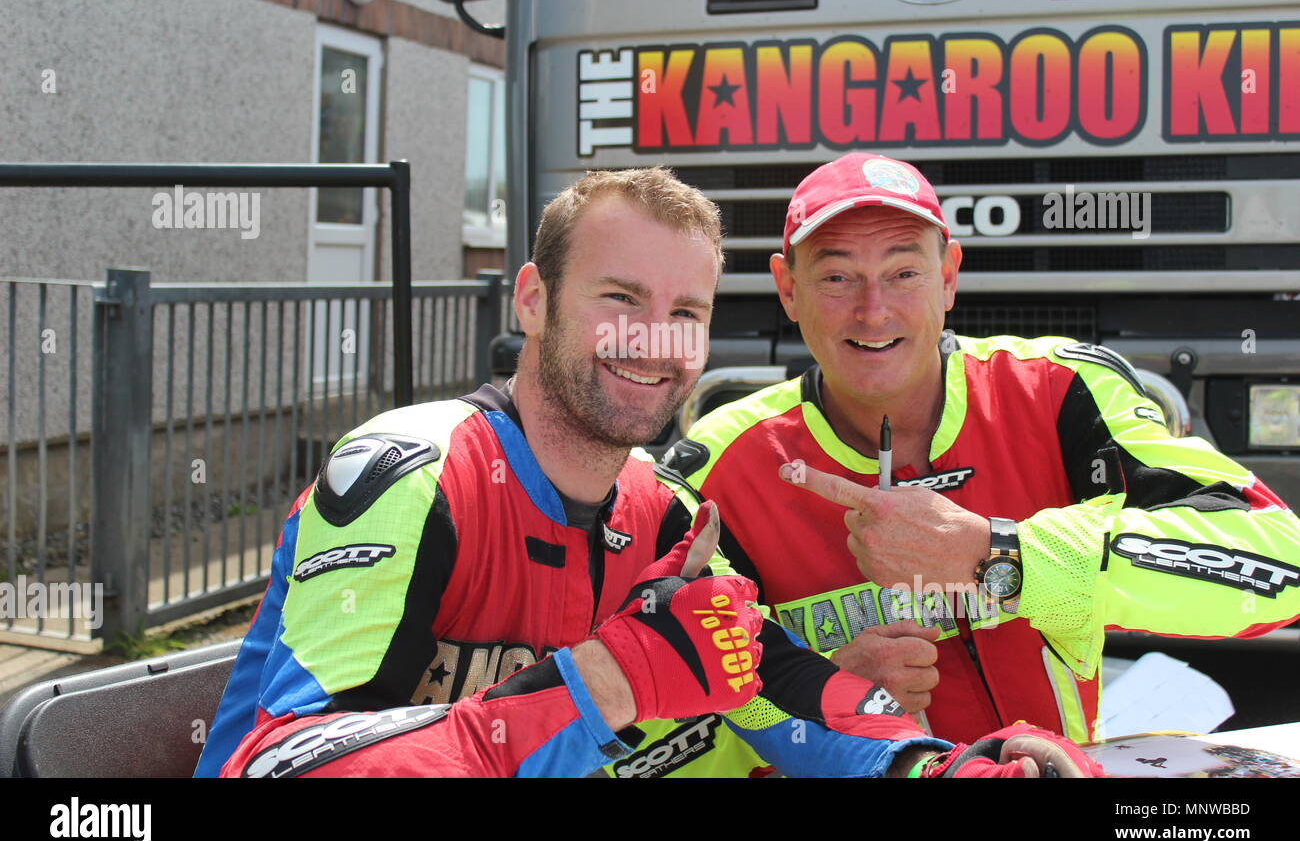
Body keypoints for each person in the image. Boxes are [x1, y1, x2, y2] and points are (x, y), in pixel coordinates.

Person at [195, 166, 1095, 778]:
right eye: (620, 299)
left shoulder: (668, 515)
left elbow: (776, 688)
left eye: (686, 312)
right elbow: (281, 765)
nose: (653, 341)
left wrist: (935, 763)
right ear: (536, 301)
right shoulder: (415, 475)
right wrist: (601, 684)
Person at [665, 151, 1300, 746]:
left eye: (904, 272)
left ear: (947, 277)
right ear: (788, 290)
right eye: (836, 277)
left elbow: (1280, 565)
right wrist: (819, 692)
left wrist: (1004, 557)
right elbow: (649, 727)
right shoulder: (718, 466)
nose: (873, 310)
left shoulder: (1058, 389)